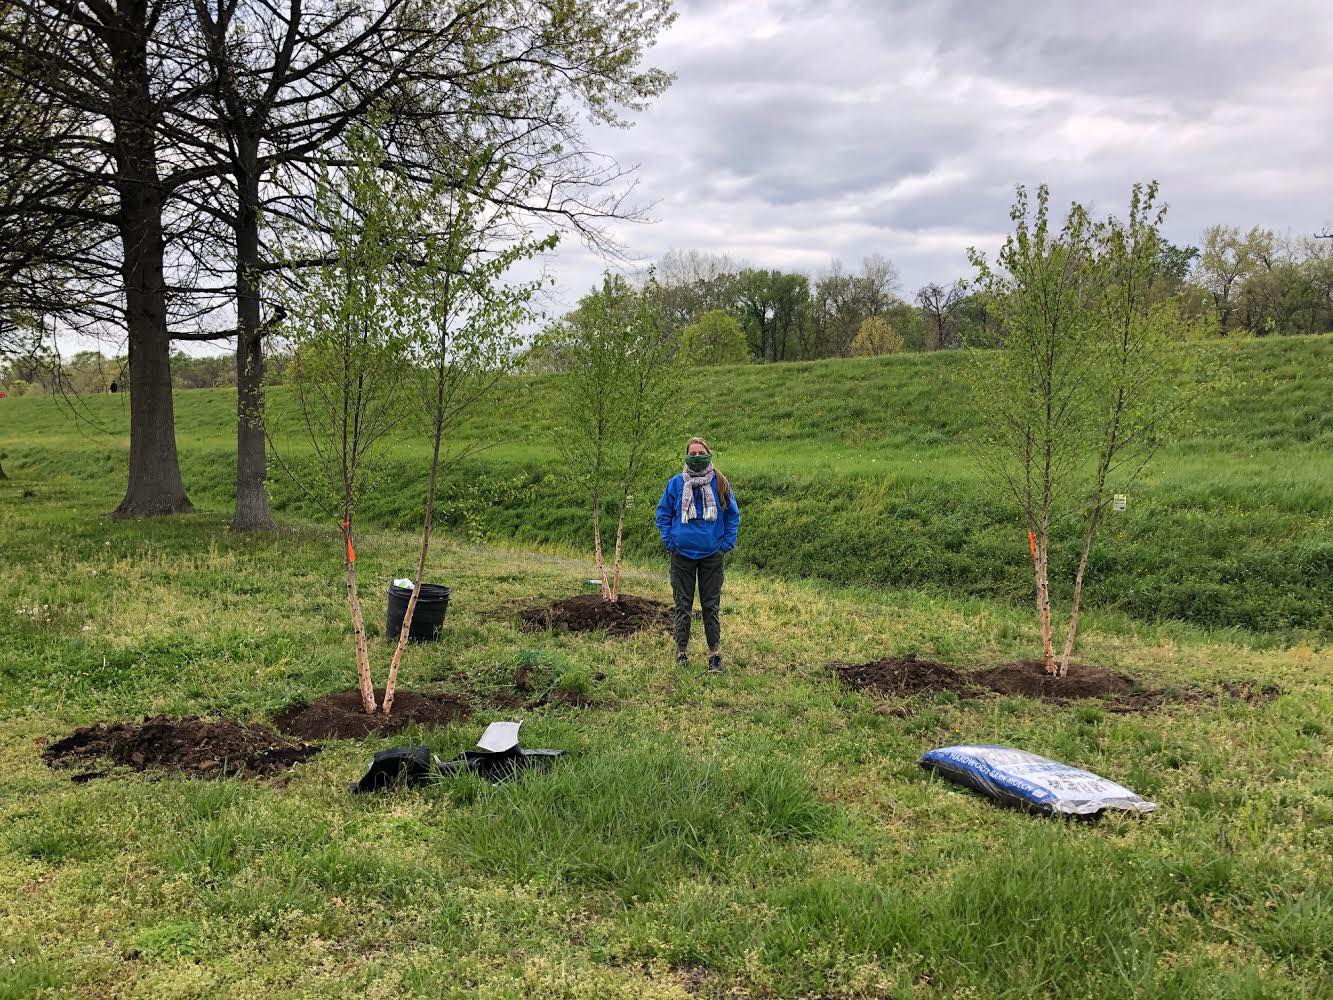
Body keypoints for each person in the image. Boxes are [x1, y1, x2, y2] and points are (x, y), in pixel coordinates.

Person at [655, 437, 740, 672]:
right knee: (682, 605)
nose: (696, 457)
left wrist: (726, 544)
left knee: (710, 606)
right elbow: (663, 514)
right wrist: (669, 541)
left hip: (712, 554)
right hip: (681, 554)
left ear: (709, 454)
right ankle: (681, 653)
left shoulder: (720, 482)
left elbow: (732, 515)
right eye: (692, 454)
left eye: (701, 453)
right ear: (686, 456)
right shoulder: (676, 483)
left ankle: (714, 655)